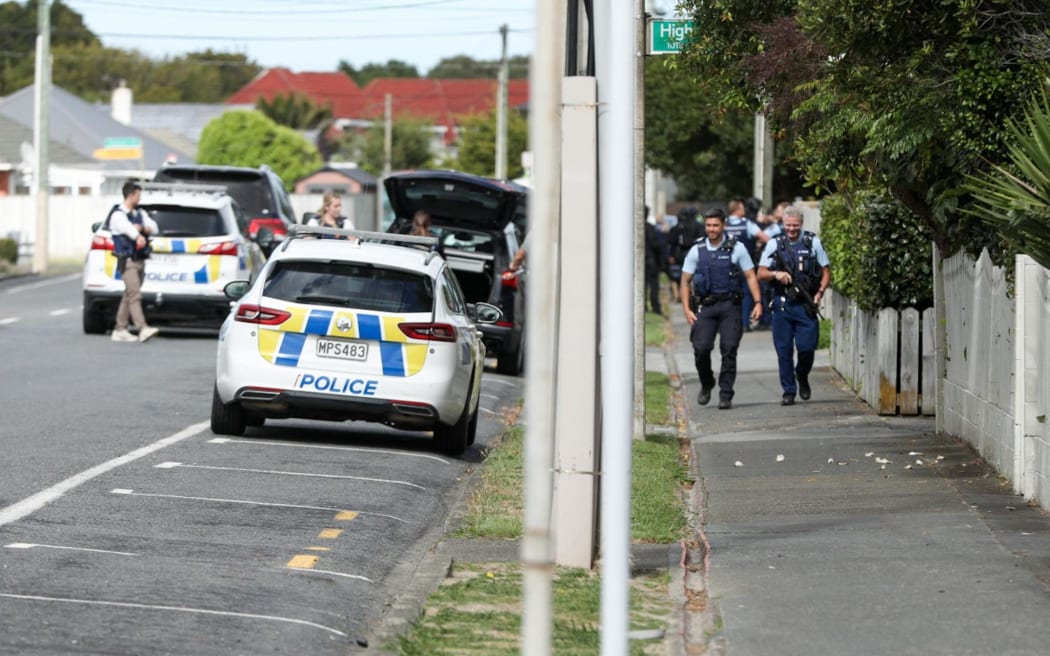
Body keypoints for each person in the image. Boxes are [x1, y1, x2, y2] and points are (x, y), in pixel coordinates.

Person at [680, 208, 763, 410]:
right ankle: (707, 382)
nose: (712, 229)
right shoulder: (697, 249)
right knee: (701, 349)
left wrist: (758, 302)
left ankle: (726, 393)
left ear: (724, 225)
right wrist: (687, 309)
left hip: (730, 306)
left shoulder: (738, 248)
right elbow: (685, 281)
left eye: (716, 225)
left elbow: (751, 276)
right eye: (708, 225)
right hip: (706, 307)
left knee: (729, 349)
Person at [756, 206, 831, 405]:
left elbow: (826, 272)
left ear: (801, 224)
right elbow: (760, 273)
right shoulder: (774, 244)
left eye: (795, 226)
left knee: (807, 348)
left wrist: (819, 294)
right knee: (784, 350)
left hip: (805, 305)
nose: (791, 230)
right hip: (782, 306)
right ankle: (788, 391)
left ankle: (802, 374)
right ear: (783, 224)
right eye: (788, 225)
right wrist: (776, 274)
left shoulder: (812, 242)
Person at [108, 180, 160, 343]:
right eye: (138, 195)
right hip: (127, 260)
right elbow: (127, 229)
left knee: (129, 294)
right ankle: (142, 328)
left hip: (140, 259)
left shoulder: (140, 213)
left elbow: (154, 227)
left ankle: (120, 329)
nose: (140, 198)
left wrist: (143, 230)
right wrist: (137, 235)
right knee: (135, 294)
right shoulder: (118, 215)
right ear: (130, 195)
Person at [724, 199, 770, 331]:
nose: (744, 211)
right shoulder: (747, 224)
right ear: (737, 210)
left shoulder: (723, 224)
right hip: (745, 264)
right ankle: (744, 323)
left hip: (725, 264)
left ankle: (727, 324)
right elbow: (765, 238)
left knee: (726, 294)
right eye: (742, 208)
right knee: (746, 294)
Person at [666, 206, 702, 296]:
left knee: (683, 274)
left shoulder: (679, 226)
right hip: (696, 252)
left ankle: (682, 292)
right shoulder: (699, 226)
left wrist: (671, 254)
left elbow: (671, 241)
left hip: (681, 253)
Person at [644, 210, 666, 315]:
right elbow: (657, 246)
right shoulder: (650, 228)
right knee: (653, 285)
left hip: (646, 260)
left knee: (644, 285)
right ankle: (655, 307)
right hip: (651, 260)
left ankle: (644, 306)